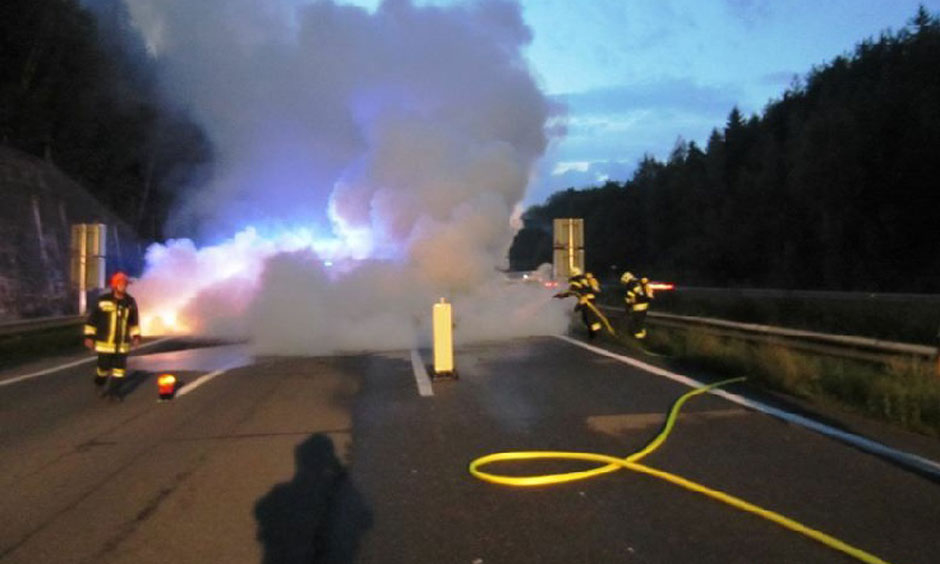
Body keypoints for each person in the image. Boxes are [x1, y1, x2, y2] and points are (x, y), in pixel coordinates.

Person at [83, 271, 141, 397]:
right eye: (121, 284)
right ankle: (99, 383)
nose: (124, 287)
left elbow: (134, 322)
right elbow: (92, 320)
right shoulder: (103, 300)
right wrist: (89, 337)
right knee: (103, 369)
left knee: (119, 371)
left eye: (125, 284)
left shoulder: (130, 302)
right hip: (105, 343)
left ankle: (114, 393)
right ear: (115, 285)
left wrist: (136, 337)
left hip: (122, 344)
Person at [554, 266, 606, 340]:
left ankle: (595, 335)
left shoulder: (575, 281)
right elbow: (595, 289)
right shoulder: (585, 279)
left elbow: (570, 292)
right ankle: (595, 334)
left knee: (588, 319)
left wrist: (559, 295)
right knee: (588, 318)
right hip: (591, 300)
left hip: (585, 301)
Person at [621, 271, 652, 340]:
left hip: (638, 306)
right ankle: (642, 337)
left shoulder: (630, 284)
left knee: (635, 323)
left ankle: (638, 339)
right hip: (645, 304)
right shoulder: (640, 282)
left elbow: (630, 298)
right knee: (640, 322)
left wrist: (627, 308)